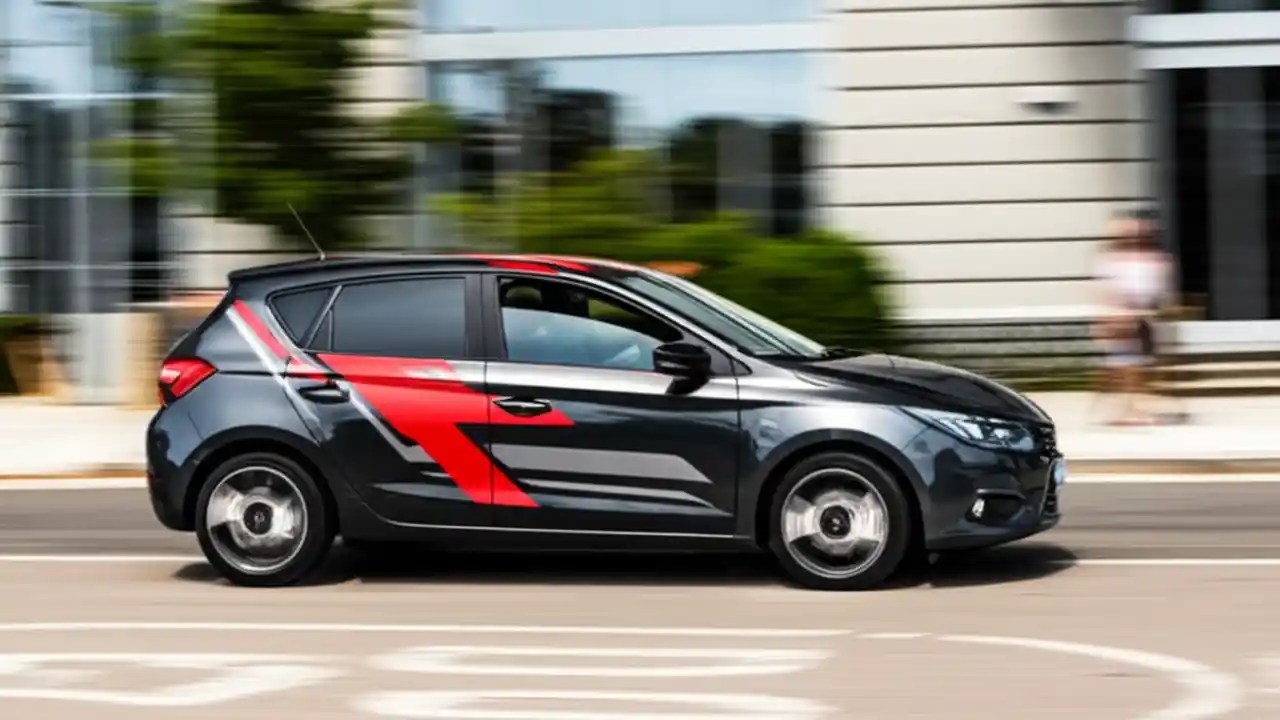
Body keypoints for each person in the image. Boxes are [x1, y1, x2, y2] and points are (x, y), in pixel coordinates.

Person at [1093, 209, 1173, 425]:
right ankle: (1118, 410)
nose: (1133, 238)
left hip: (1142, 318)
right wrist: (1110, 317)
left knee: (1138, 368)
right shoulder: (1111, 260)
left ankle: (1132, 409)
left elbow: (1157, 290)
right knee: (1121, 368)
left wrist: (1145, 311)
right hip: (1119, 318)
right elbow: (1105, 289)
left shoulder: (1154, 260)